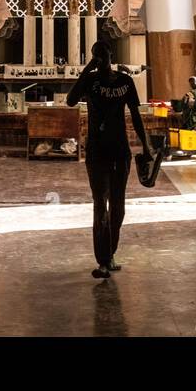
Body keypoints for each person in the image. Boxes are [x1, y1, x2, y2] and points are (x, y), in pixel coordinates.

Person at [67, 40, 152, 279]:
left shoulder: (125, 81)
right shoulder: (90, 81)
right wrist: (87, 70)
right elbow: (71, 101)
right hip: (96, 150)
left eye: (104, 54)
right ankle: (102, 260)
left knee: (118, 206)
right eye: (97, 55)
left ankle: (110, 253)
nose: (102, 59)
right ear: (93, 57)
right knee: (99, 203)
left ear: (111, 55)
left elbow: (136, 115)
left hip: (120, 150)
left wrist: (147, 147)